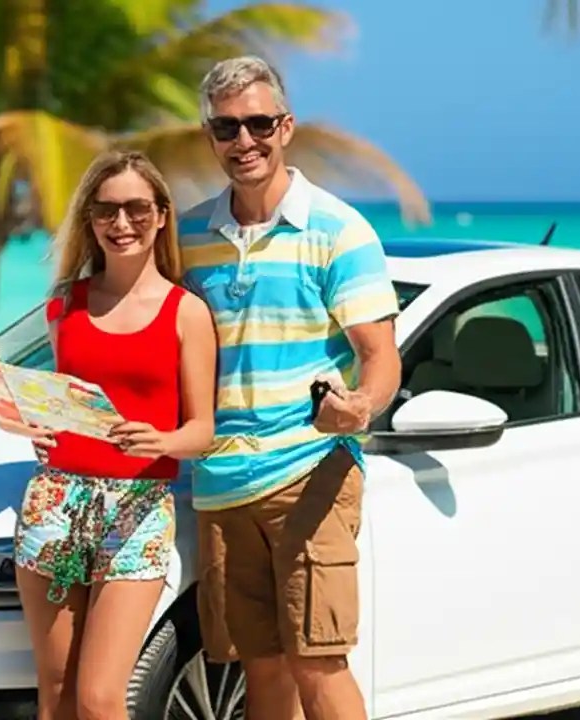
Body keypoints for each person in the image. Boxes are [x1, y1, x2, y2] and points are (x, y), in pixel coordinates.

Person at [178, 56, 402, 720]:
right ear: (210, 136)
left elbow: (379, 357)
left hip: (309, 475)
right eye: (226, 129)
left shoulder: (338, 231)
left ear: (287, 127)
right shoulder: (188, 235)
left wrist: (359, 406)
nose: (243, 142)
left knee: (318, 664)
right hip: (219, 484)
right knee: (262, 671)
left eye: (257, 125)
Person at [0, 150, 218, 720]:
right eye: (106, 211)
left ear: (162, 216)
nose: (121, 224)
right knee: (56, 695)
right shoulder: (62, 304)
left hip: (137, 512)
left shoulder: (185, 312)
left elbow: (202, 430)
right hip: (56, 503)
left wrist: (162, 440)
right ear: (90, 220)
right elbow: (51, 401)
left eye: (137, 210)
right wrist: (32, 427)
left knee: (99, 700)